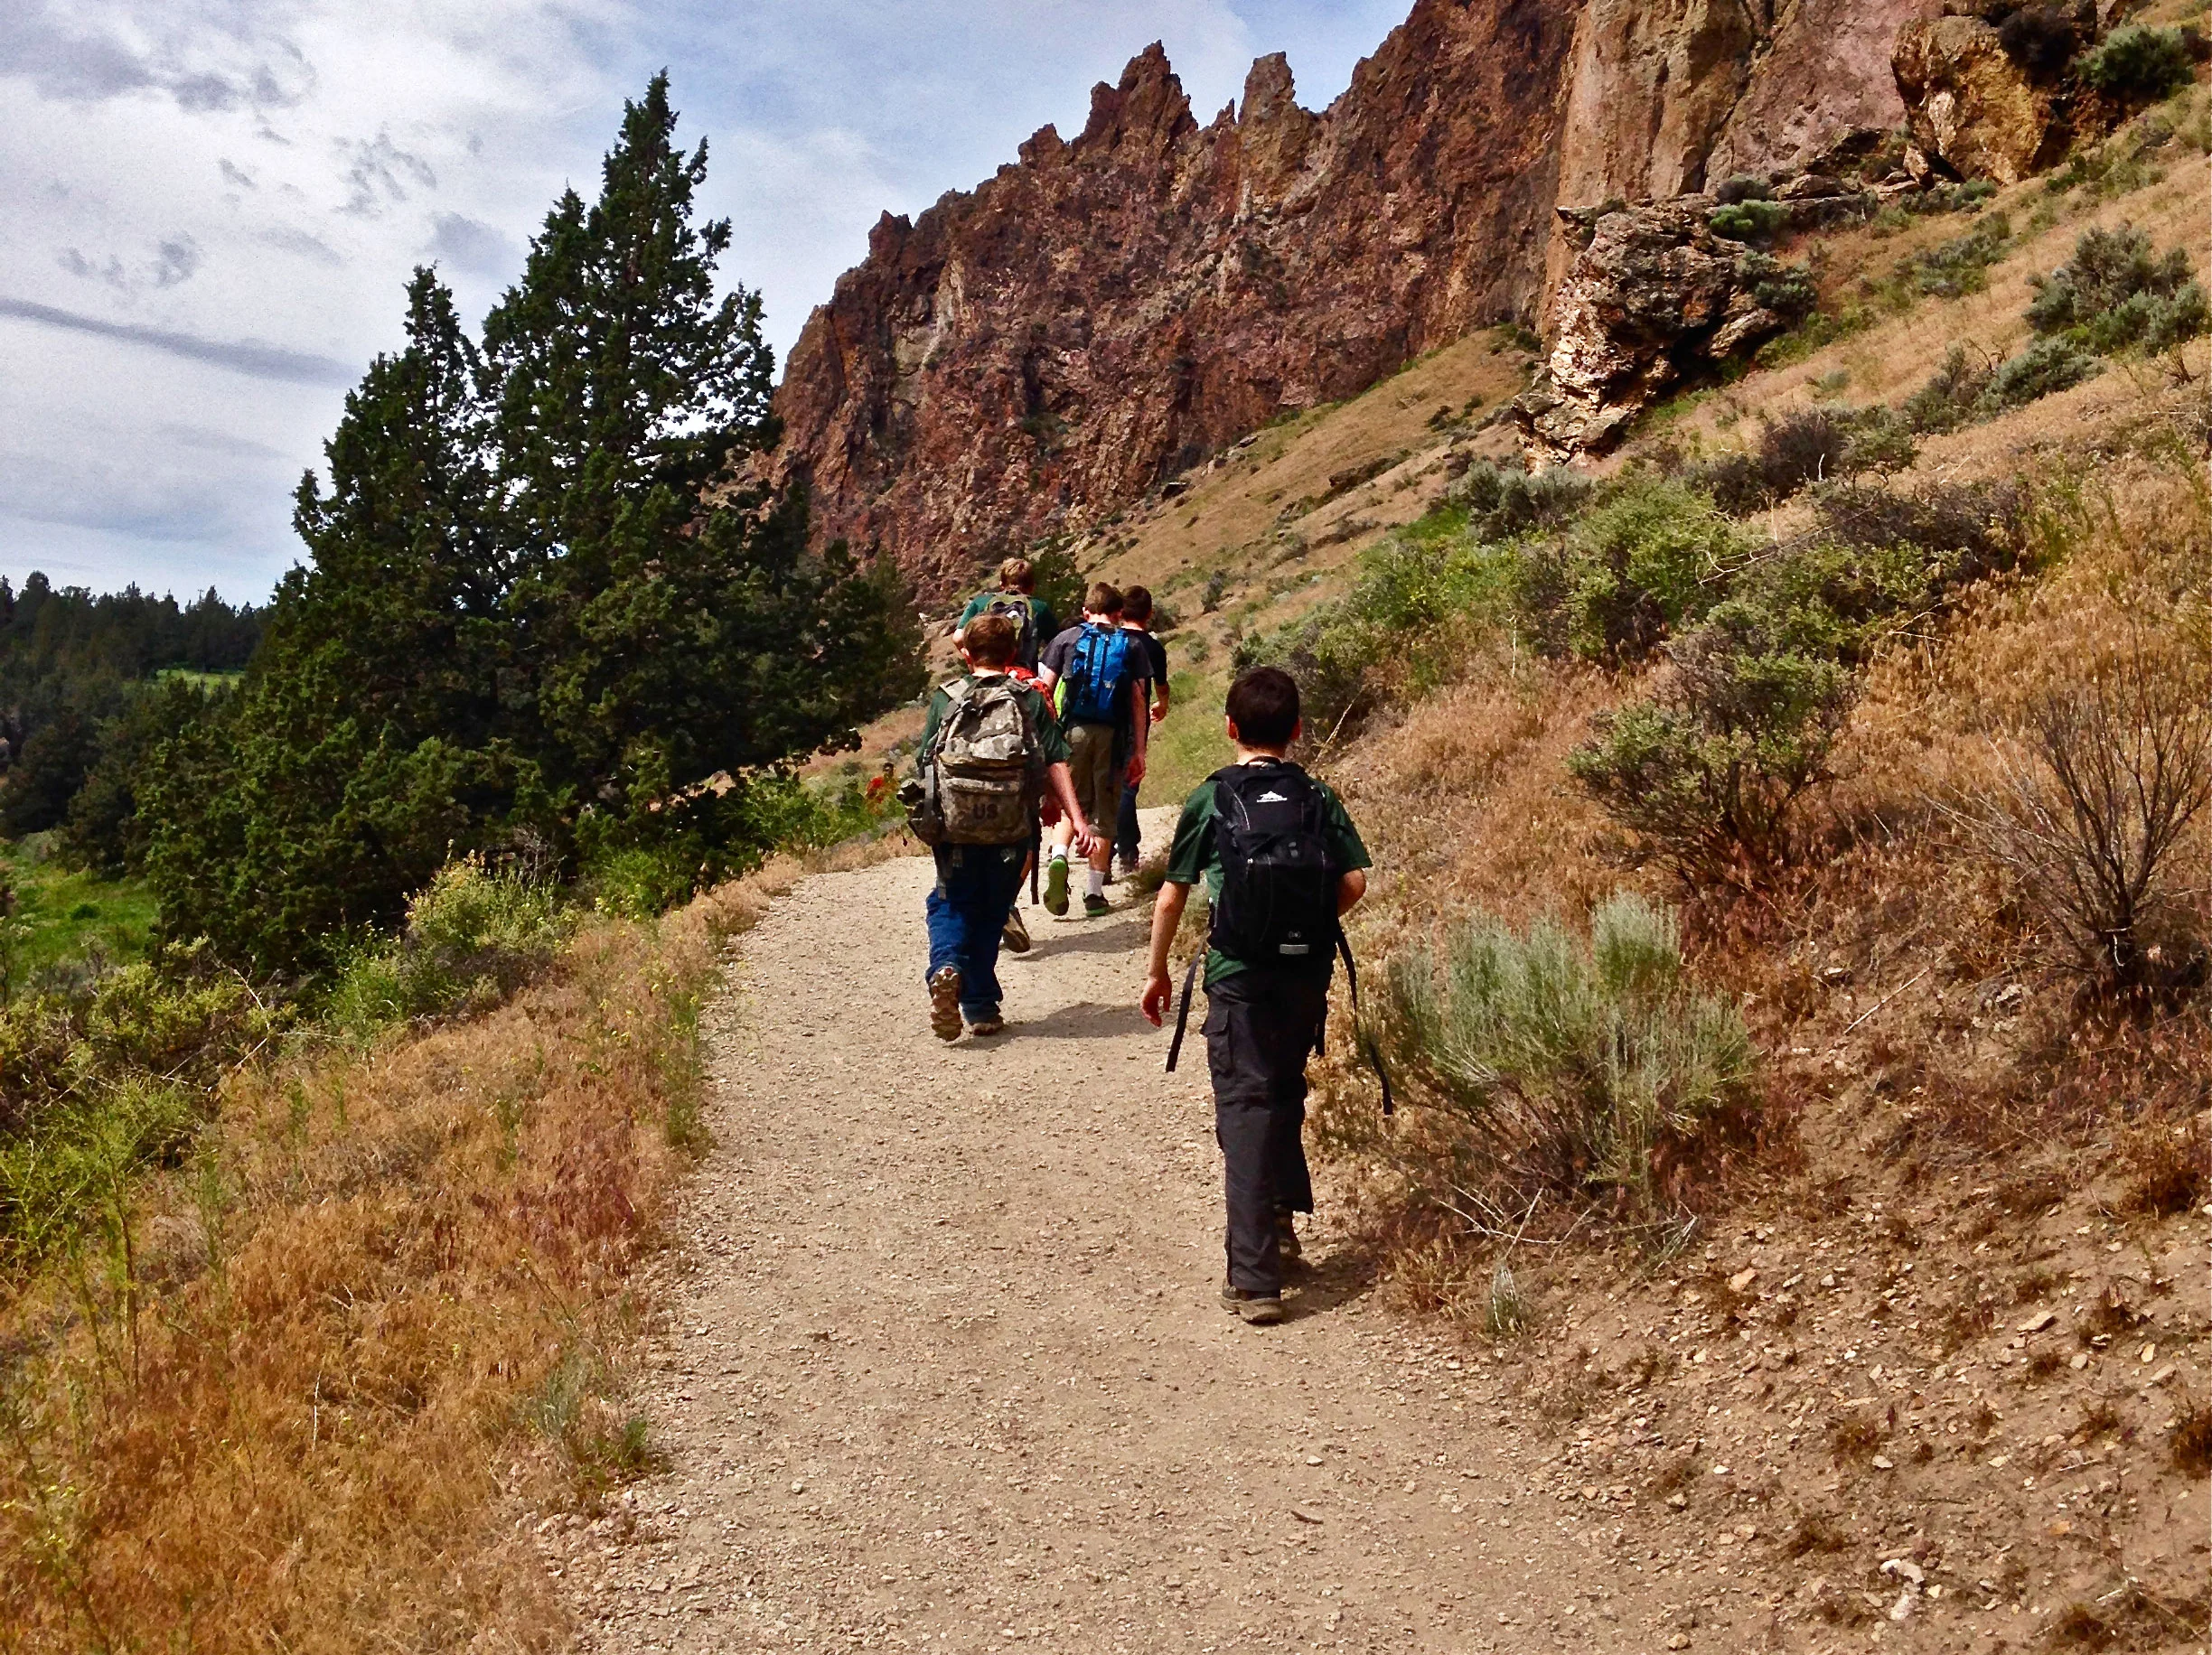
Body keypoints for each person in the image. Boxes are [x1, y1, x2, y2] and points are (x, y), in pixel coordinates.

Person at [1139, 667, 1370, 1325]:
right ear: (1297, 730)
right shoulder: (1317, 796)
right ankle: (1280, 1222)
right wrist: (1309, 928)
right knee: (1283, 1086)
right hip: (1304, 973)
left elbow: (1171, 895)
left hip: (1237, 971)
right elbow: (1353, 883)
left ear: (1231, 729)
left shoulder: (1211, 799)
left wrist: (1157, 972)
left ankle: (1255, 1279)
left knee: (1245, 1104)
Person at [916, 613, 1093, 1040]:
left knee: (950, 900)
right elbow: (1055, 760)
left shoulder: (947, 698)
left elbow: (925, 762)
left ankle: (945, 966)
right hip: (1012, 828)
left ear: (967, 654)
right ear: (1013, 652)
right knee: (993, 909)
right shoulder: (1028, 698)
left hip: (956, 827)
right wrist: (1076, 817)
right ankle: (979, 1005)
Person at [1036, 584, 1150, 919]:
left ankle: (1059, 855)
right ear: (1118, 614)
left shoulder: (1067, 639)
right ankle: (1094, 893)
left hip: (1073, 732)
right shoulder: (1130, 644)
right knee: (1105, 809)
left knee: (1071, 801)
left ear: (1086, 611)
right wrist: (1139, 750)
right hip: (1113, 736)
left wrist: (1047, 738)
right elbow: (1139, 700)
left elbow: (1044, 689)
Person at [1112, 584, 1171, 878]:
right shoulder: (1152, 647)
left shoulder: (1111, 639)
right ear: (1149, 613)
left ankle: (1102, 848)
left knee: (1106, 784)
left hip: (1103, 720)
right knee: (1127, 788)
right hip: (1135, 723)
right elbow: (1160, 686)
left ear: (1121, 612)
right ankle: (1126, 852)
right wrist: (1163, 704)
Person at [951, 556, 1056, 675]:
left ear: (1001, 584)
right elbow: (1056, 644)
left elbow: (958, 638)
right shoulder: (1039, 608)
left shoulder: (980, 603)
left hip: (987, 674)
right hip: (1023, 679)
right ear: (1032, 586)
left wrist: (972, 661)